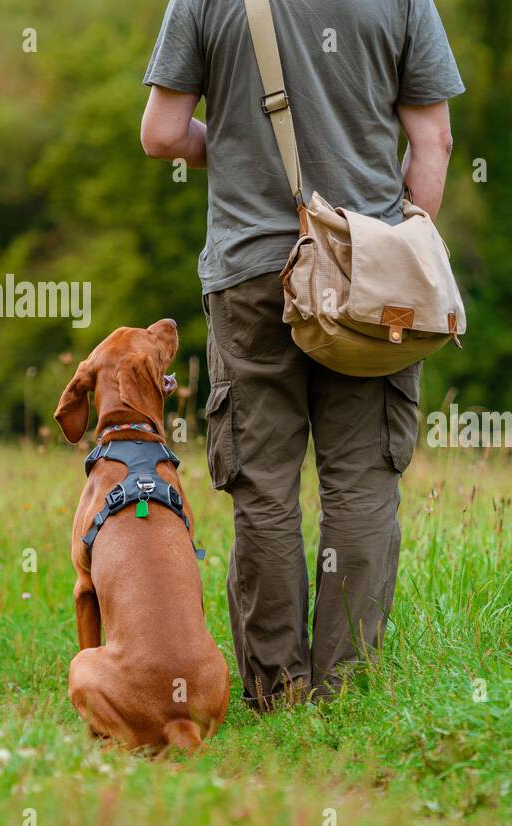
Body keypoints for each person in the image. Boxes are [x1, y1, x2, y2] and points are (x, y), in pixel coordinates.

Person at [139, 0, 464, 709]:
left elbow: (161, 135)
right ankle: (345, 692)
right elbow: (432, 140)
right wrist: (402, 248)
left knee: (263, 486)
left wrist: (222, 143)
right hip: (367, 277)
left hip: (251, 269)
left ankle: (276, 689)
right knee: (363, 479)